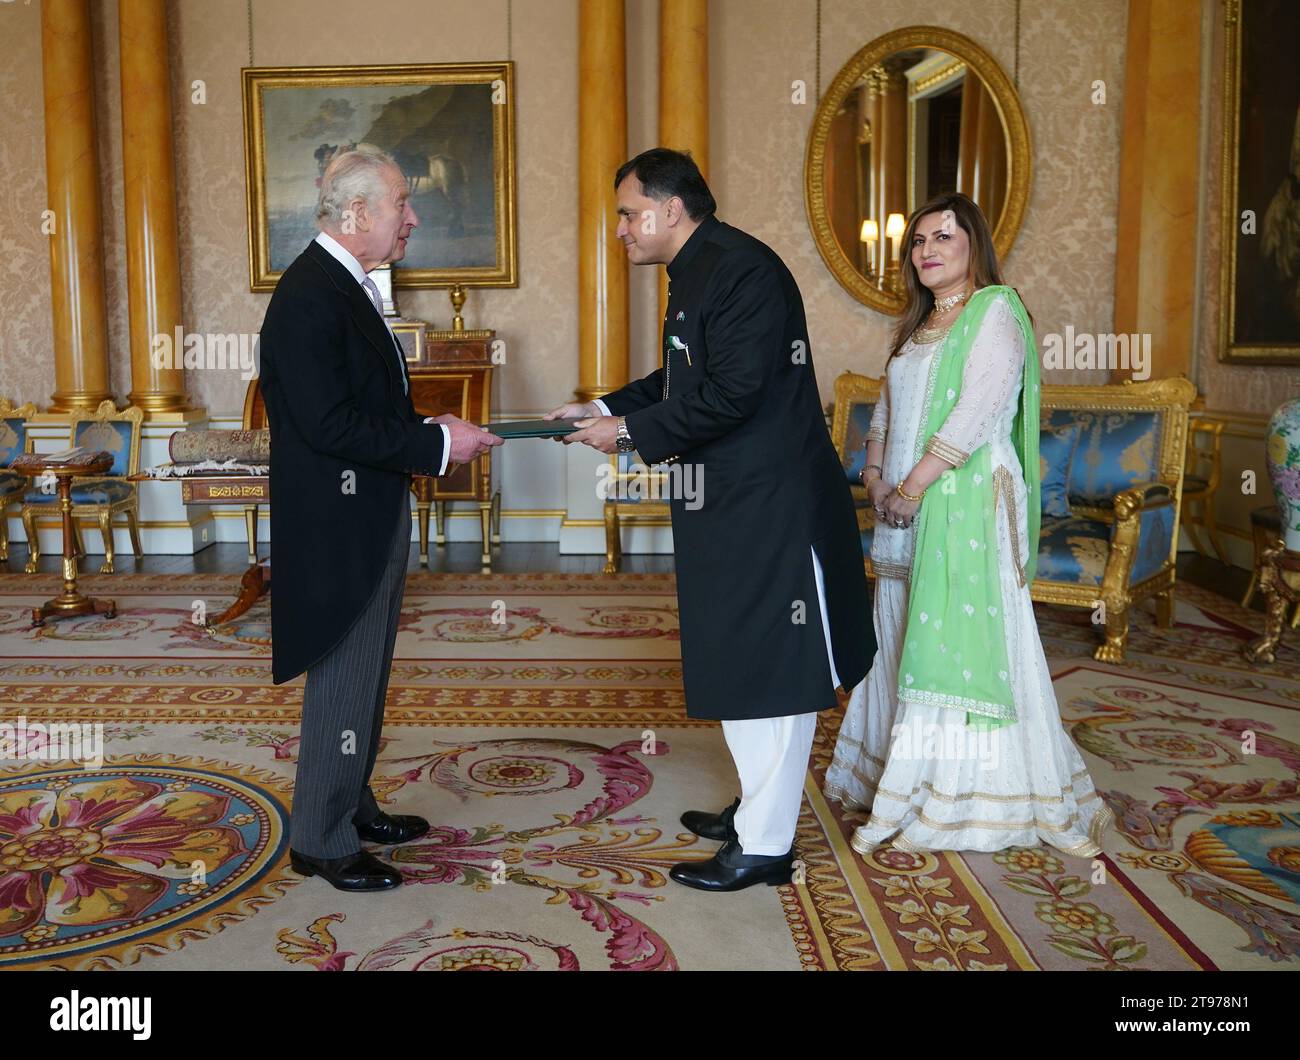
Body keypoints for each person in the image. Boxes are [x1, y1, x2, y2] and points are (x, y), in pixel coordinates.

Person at [548, 148, 874, 892]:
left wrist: (627, 435)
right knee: (746, 660)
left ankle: (765, 847)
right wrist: (603, 409)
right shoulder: (701, 268)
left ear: (670, 209)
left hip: (774, 506)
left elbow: (734, 395)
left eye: (629, 214)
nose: (622, 230)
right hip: (731, 501)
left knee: (779, 670)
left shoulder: (743, 271)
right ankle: (758, 809)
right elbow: (684, 377)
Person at [823, 192, 1112, 856]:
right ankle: (895, 773)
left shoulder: (995, 315)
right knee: (897, 626)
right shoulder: (916, 327)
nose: (926, 250)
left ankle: (963, 794)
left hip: (963, 504)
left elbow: (978, 412)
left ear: (973, 245)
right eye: (917, 241)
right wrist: (874, 478)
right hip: (901, 501)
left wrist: (916, 487)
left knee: (961, 633)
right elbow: (886, 414)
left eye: (942, 237)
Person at [259, 147, 502, 891]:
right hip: (338, 522)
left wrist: (429, 433)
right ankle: (322, 839)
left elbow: (365, 407)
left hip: (366, 508)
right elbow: (331, 425)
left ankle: (351, 802)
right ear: (358, 213)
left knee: (366, 673)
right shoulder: (308, 294)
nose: (414, 217)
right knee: (343, 670)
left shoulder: (344, 283)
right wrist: (435, 441)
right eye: (403, 203)